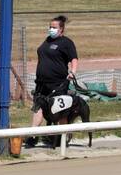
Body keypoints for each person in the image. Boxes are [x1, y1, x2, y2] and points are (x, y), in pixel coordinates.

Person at [24, 15, 79, 148]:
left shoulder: (66, 43)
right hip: (42, 83)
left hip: (58, 83)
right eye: (50, 27)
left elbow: (74, 59)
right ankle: (32, 136)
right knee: (38, 108)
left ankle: (62, 137)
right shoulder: (47, 40)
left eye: (54, 27)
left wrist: (73, 71)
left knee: (59, 111)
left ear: (61, 29)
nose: (51, 29)